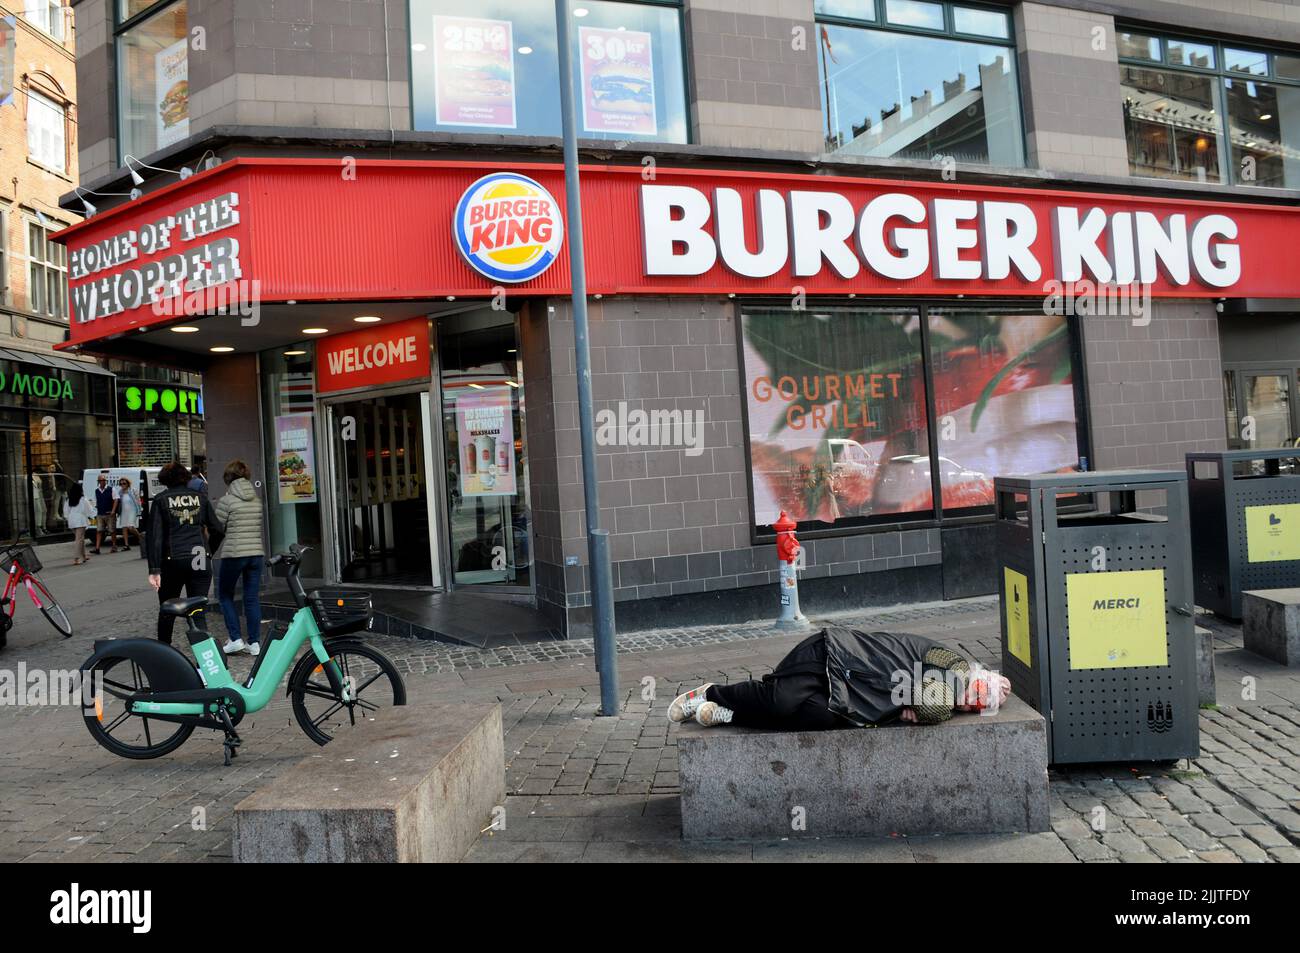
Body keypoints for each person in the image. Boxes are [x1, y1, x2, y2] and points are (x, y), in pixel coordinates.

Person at [668, 626, 1012, 729]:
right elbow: (928, 703)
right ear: (977, 676)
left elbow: (923, 701)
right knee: (780, 699)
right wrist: (924, 710)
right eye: (978, 693)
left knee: (807, 715)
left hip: (849, 693)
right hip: (831, 654)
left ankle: (732, 715)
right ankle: (712, 693)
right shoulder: (954, 668)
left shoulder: (951, 691)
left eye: (978, 705)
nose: (970, 701)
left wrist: (920, 708)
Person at [146, 461, 223, 645]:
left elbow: (155, 537)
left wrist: (154, 569)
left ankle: (164, 651)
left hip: (173, 560)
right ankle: (205, 659)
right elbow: (218, 530)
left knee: (167, 610)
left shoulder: (161, 500)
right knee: (198, 611)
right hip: (199, 557)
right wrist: (208, 551)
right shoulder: (200, 497)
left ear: (165, 480)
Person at [213, 459, 266, 656]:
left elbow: (218, 529)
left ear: (229, 478)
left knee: (225, 595)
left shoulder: (226, 501)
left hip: (234, 554)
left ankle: (235, 639)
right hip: (256, 554)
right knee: (251, 599)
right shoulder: (256, 500)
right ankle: (254, 643)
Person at [63, 483, 95, 566]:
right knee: (79, 540)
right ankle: (76, 558)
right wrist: (92, 516)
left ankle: (83, 556)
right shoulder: (83, 499)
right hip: (80, 520)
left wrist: (68, 518)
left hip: (72, 520)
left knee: (81, 539)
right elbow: (88, 510)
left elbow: (66, 511)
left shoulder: (69, 499)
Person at [92, 472, 117, 554]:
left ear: (105, 481)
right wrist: (95, 509)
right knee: (99, 530)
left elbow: (116, 499)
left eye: (103, 480)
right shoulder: (96, 490)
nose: (102, 481)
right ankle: (97, 548)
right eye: (100, 480)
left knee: (112, 530)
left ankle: (114, 546)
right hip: (100, 513)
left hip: (109, 513)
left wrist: (113, 510)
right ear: (98, 481)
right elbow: (95, 501)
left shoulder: (111, 489)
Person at [116, 477, 142, 550]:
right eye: (121, 484)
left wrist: (139, 509)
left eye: (124, 483)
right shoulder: (120, 492)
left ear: (128, 483)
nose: (122, 485)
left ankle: (140, 537)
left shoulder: (133, 490)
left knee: (131, 527)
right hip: (123, 511)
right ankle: (126, 545)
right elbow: (117, 502)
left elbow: (138, 500)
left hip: (132, 511)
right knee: (124, 527)